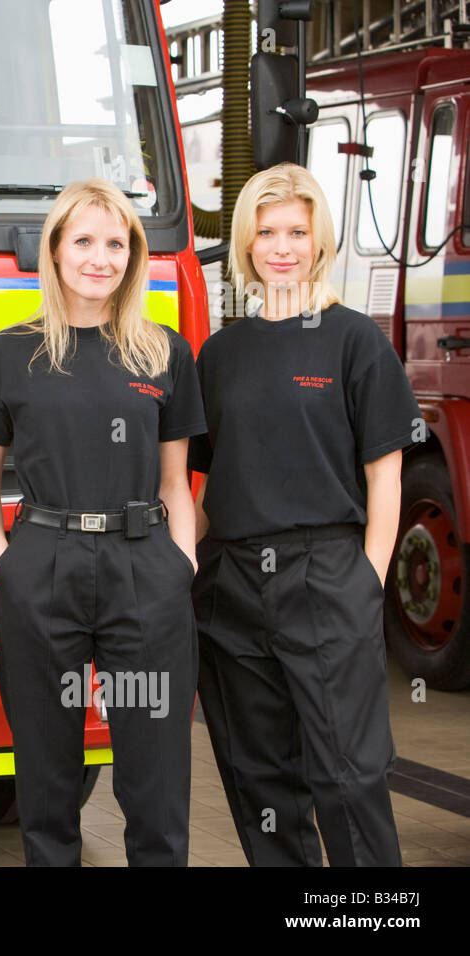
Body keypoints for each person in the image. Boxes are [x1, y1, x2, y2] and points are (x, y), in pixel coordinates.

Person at [0, 178, 206, 866]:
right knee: (47, 782)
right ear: (57, 251)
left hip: (145, 572)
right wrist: (8, 567)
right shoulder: (8, 355)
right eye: (85, 242)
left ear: (132, 257)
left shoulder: (163, 353)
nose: (101, 258)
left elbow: (176, 485)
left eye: (117, 244)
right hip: (42, 566)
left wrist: (177, 566)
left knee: (155, 785)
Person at [188, 162, 419, 866]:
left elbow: (387, 481)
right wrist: (184, 571)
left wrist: (365, 584)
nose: (281, 246)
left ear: (320, 236)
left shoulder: (355, 342)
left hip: (326, 574)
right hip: (231, 584)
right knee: (258, 777)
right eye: (265, 232)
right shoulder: (220, 355)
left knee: (348, 775)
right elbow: (200, 483)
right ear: (246, 244)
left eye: (296, 229)